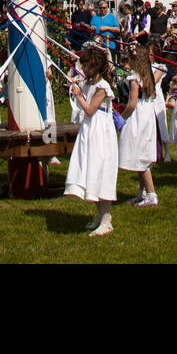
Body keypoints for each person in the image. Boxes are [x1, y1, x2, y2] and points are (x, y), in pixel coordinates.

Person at [65, 44, 118, 235]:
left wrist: (78, 96)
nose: (83, 69)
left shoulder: (103, 86)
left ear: (95, 66)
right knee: (91, 169)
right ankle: (100, 215)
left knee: (100, 169)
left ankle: (107, 219)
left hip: (100, 130)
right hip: (90, 128)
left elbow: (89, 109)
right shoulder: (89, 83)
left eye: (86, 65)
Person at [118, 44, 159, 208]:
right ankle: (142, 192)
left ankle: (151, 194)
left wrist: (120, 118)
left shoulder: (134, 78)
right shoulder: (147, 75)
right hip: (147, 113)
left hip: (139, 116)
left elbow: (132, 103)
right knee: (141, 149)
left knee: (139, 153)